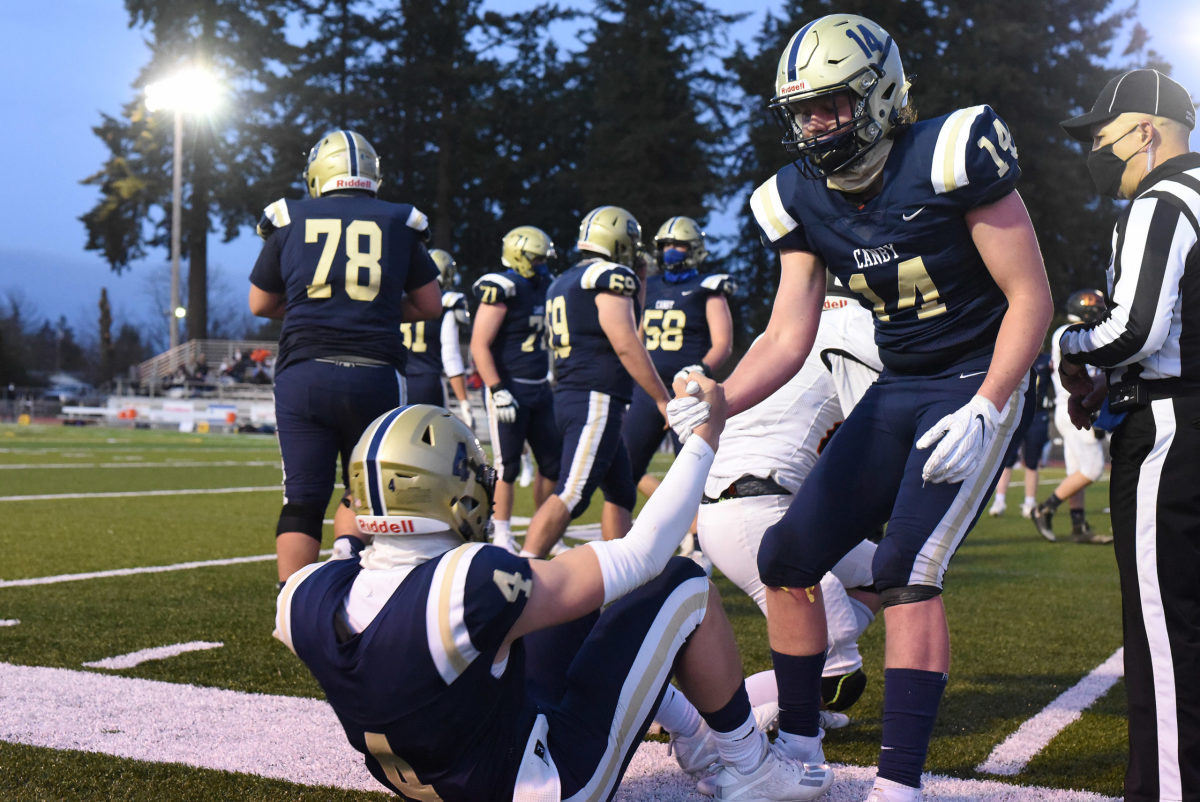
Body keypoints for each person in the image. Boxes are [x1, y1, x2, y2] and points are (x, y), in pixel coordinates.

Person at [679, 14, 1053, 800]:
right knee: (786, 558)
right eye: (803, 109)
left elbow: (1030, 298)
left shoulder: (951, 152)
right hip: (900, 383)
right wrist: (719, 401)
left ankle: (900, 785)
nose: (815, 123)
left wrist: (990, 401)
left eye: (832, 103)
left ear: (881, 94)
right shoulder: (795, 196)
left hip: (975, 379)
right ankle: (804, 754)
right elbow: (787, 335)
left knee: (905, 568)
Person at [274, 393, 834, 802]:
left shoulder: (301, 598)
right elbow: (643, 554)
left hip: (452, 770)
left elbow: (356, 556)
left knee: (571, 602)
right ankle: (750, 768)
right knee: (683, 581)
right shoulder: (467, 583)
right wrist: (705, 438)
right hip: (541, 787)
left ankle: (692, 733)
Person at [1057, 67, 1200, 802]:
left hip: (1173, 431)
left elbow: (1134, 330)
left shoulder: (1163, 199)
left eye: (1104, 135)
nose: (1099, 151)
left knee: (1165, 642)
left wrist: (1069, 350)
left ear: (1146, 129)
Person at [249, 129, 443, 583]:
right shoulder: (400, 221)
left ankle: (291, 603)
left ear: (318, 174)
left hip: (305, 373)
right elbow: (430, 305)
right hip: (375, 374)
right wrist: (371, 304)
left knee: (302, 497)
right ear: (373, 175)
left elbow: (260, 304)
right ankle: (348, 563)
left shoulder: (289, 217)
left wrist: (312, 306)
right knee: (365, 489)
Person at [697, 275, 883, 730]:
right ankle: (699, 724)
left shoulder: (784, 326)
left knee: (885, 572)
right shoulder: (859, 326)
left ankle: (796, 684)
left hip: (757, 505)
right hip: (757, 512)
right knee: (838, 681)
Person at [521, 206, 673, 558]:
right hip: (596, 397)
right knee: (572, 493)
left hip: (573, 394)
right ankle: (522, 571)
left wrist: (642, 281)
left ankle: (620, 574)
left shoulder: (564, 280)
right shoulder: (609, 276)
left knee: (621, 491)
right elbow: (626, 341)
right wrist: (661, 397)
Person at [620, 216, 735, 553]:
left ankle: (699, 542)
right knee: (625, 469)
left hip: (689, 391)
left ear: (694, 249)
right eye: (666, 245)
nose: (671, 251)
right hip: (648, 391)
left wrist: (698, 370)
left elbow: (723, 344)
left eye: (678, 244)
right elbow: (638, 338)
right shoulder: (648, 286)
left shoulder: (708, 287)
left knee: (694, 469)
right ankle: (621, 543)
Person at [470, 226, 562, 554]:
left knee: (553, 465)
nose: (541, 264)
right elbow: (479, 345)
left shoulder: (547, 286)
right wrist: (496, 388)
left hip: (540, 387)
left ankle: (545, 528)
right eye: (535, 258)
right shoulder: (503, 288)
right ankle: (502, 534)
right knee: (507, 465)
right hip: (510, 389)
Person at [1030, 289, 1112, 544]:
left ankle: (1079, 527)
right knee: (1092, 469)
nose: (1099, 311)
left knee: (1077, 470)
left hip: (1068, 410)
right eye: (1095, 306)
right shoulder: (1071, 333)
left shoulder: (1066, 333)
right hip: (1075, 408)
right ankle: (1044, 509)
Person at [400, 248, 474, 428]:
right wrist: (463, 401)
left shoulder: (397, 296)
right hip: (427, 383)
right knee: (431, 446)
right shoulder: (447, 301)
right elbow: (451, 356)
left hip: (394, 380)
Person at [988, 350, 1052, 519]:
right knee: (1006, 460)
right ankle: (999, 501)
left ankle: (1029, 502)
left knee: (1032, 462)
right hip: (1015, 411)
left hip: (1038, 413)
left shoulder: (1048, 360)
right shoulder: (1016, 355)